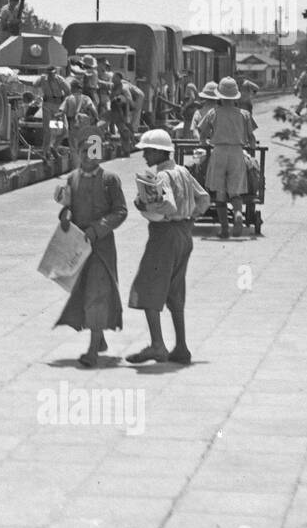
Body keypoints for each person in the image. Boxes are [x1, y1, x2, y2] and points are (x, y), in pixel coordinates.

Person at [126, 130, 209, 365]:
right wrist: (191, 218)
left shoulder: (161, 177)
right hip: (184, 234)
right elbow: (204, 199)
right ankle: (181, 347)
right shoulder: (182, 171)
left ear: (159, 152)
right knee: (175, 290)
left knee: (148, 287)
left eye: (147, 151)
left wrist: (144, 203)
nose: (144, 156)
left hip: (165, 234)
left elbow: (166, 206)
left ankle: (157, 345)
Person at [53, 134, 127, 368]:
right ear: (78, 152)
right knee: (86, 293)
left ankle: (93, 351)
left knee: (98, 294)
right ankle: (100, 338)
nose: (88, 156)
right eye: (84, 151)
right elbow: (67, 207)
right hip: (78, 246)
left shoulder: (110, 179)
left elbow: (120, 211)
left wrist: (98, 229)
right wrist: (65, 217)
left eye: (93, 151)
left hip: (101, 246)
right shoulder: (71, 179)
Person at [197, 77, 250, 239]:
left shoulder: (214, 113)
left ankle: (225, 229)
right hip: (236, 153)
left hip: (219, 152)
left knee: (220, 192)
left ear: (219, 96)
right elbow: (251, 138)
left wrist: (203, 141)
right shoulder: (244, 114)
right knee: (235, 192)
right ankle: (238, 214)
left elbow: (203, 133)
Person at [62, 77, 99, 168]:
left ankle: (77, 167)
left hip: (73, 123)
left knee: (74, 147)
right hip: (85, 122)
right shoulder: (86, 98)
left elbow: (62, 111)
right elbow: (93, 109)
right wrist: (96, 119)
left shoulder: (68, 98)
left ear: (72, 88)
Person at [36, 65, 71, 160]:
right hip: (47, 105)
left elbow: (68, 91)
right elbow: (35, 84)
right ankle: (45, 153)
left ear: (55, 73)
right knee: (48, 130)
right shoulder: (43, 79)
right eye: (49, 73)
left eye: (52, 73)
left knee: (62, 130)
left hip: (58, 106)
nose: (51, 75)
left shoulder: (60, 80)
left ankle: (52, 148)